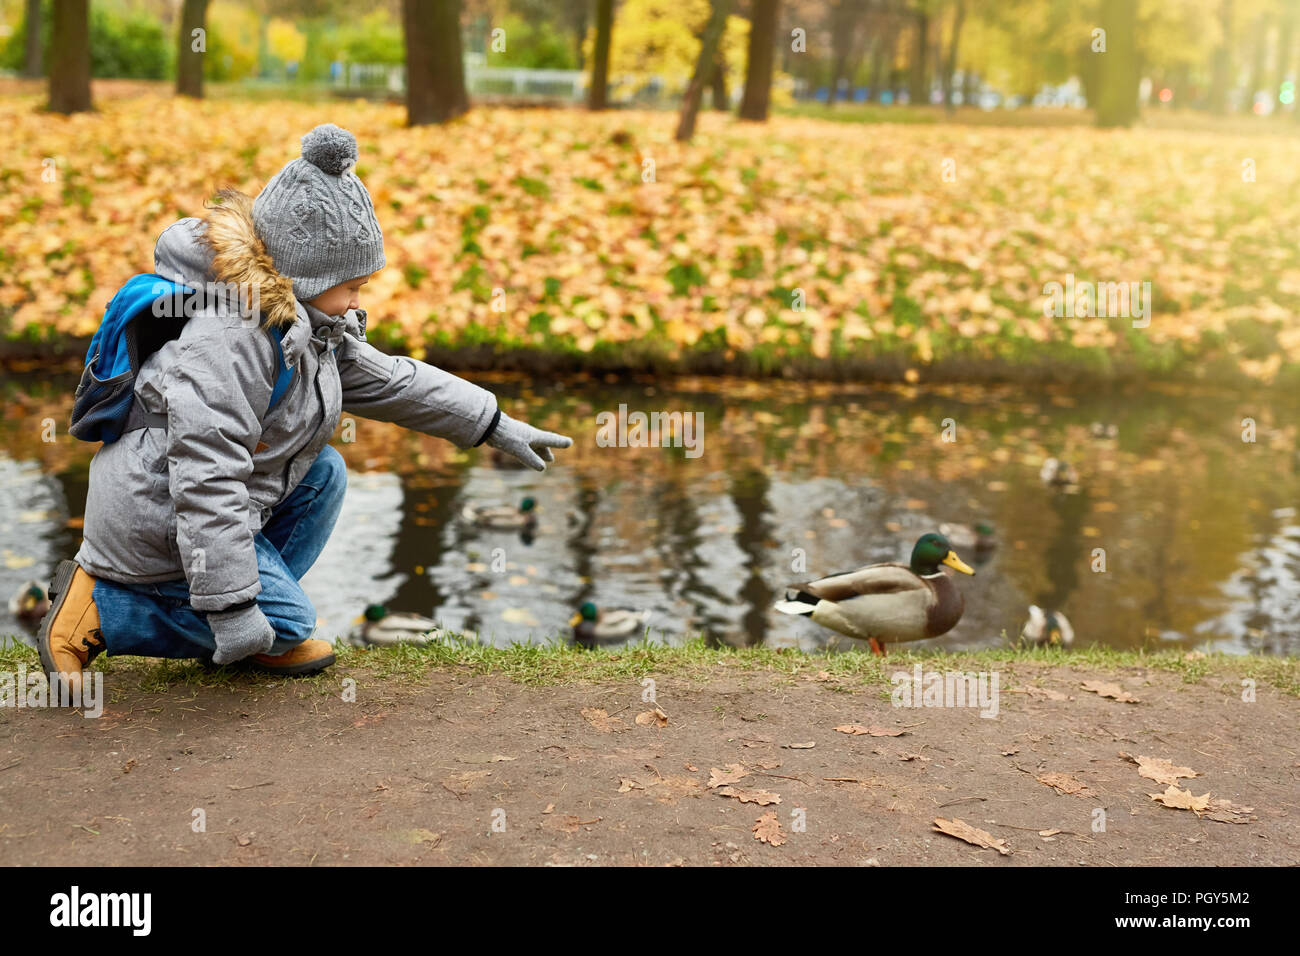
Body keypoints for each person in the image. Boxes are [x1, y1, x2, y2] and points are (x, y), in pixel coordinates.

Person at [38, 124, 572, 696]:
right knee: (287, 626)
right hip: (157, 512)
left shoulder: (309, 328)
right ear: (305, 277)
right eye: (352, 286)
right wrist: (236, 610)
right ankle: (98, 609)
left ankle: (236, 617)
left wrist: (492, 423)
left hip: (200, 509)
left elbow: (393, 382)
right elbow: (204, 476)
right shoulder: (229, 341)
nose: (359, 300)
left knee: (325, 474)